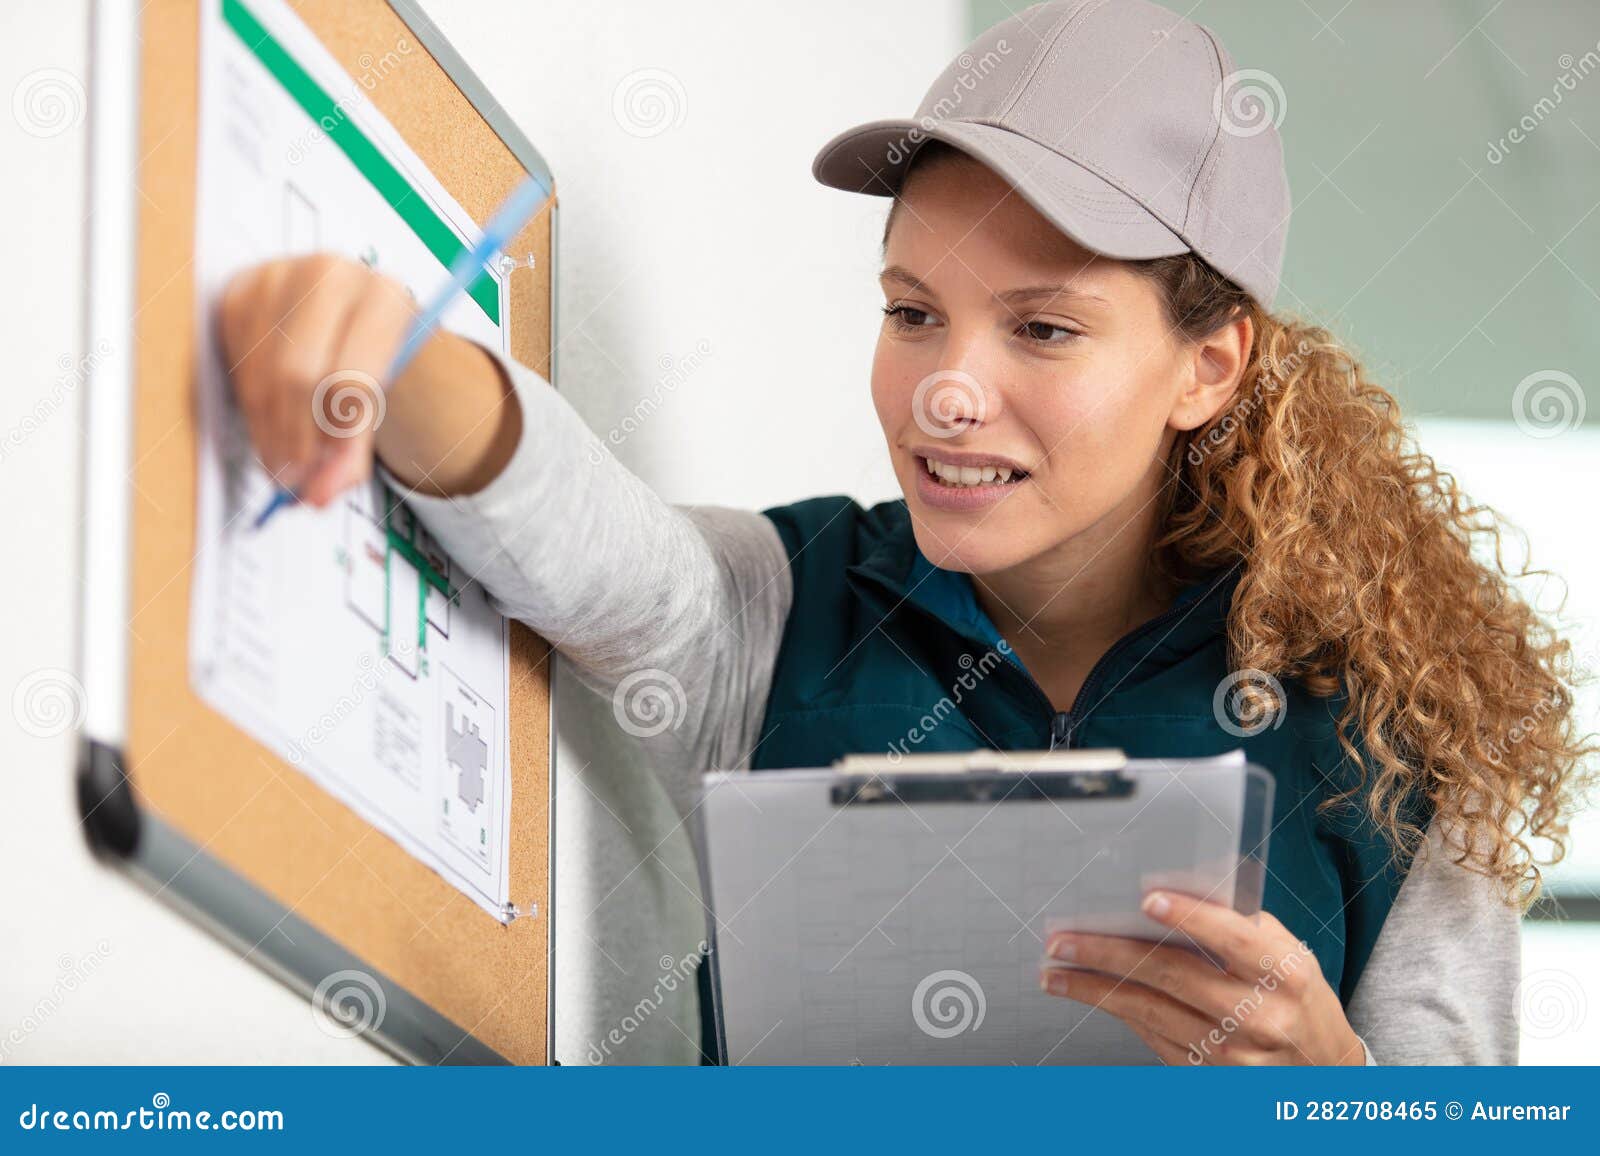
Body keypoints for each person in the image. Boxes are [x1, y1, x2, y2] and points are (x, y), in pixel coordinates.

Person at [216, 0, 1588, 1064]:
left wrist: (1326, 1093)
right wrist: (393, 354)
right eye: (913, 309)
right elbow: (567, 520)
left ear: (1209, 367)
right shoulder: (782, 609)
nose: (943, 387)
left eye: (1041, 328)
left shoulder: (1406, 746)